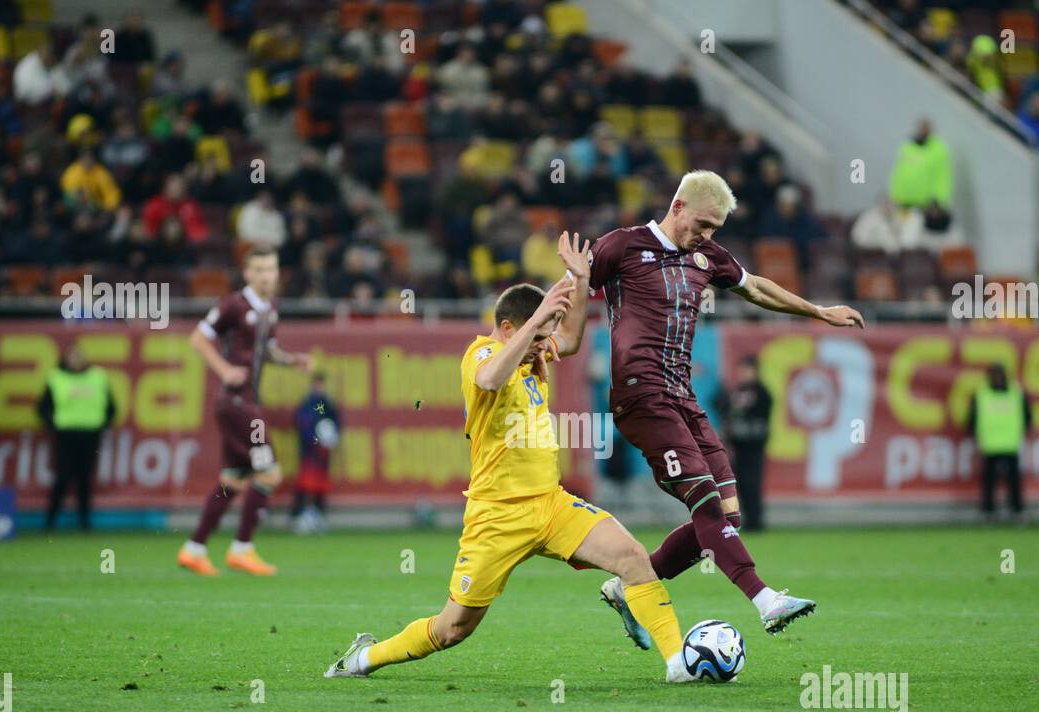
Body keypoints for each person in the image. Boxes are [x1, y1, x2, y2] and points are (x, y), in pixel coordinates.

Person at [326, 235, 703, 684]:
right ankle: (364, 659)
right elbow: (488, 380)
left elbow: (571, 339)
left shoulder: (529, 354)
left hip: (550, 503)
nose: (545, 346)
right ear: (510, 328)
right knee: (453, 629)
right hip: (496, 515)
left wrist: (581, 282)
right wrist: (537, 323)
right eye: (537, 334)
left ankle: (678, 663)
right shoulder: (481, 354)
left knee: (632, 557)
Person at [584, 170, 864, 647]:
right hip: (641, 395)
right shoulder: (622, 246)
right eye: (704, 224)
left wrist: (818, 312)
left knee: (727, 518)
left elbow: (756, 288)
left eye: (716, 228)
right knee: (707, 503)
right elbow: (571, 287)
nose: (708, 236)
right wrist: (537, 338)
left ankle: (630, 587)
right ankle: (765, 599)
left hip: (682, 398)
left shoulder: (707, 256)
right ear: (677, 207)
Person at [176, 247, 313, 576]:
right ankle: (242, 548)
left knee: (234, 479)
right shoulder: (234, 305)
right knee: (269, 474)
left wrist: (293, 360)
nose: (268, 275)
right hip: (237, 403)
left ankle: (194, 548)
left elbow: (266, 351)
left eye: (272, 269)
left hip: (245, 400)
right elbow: (198, 338)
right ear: (248, 273)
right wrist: (224, 370)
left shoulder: (270, 308)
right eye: (261, 270)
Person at [37, 344, 115, 530]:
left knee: (85, 479)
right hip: (65, 435)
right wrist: (53, 425)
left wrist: (102, 424)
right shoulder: (56, 378)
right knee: (62, 478)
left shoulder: (98, 377)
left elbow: (111, 407)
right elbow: (43, 407)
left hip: (90, 434)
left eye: (80, 356)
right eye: (73, 356)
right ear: (66, 359)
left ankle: (84, 522)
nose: (77, 360)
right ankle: (50, 521)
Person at [967, 363, 1031, 521]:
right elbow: (972, 418)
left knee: (1014, 480)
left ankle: (1017, 510)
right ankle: (988, 511)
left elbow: (1027, 415)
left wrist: (1021, 432)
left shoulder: (1016, 393)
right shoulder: (982, 394)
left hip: (1011, 443)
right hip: (990, 444)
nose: (998, 378)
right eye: (995, 375)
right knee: (989, 480)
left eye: (1000, 374)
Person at [716, 356, 773, 532]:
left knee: (751, 484)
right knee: (736, 485)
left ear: (755, 371)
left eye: (746, 370)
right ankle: (738, 521)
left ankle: (755, 522)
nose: (742, 374)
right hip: (736, 446)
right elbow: (722, 407)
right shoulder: (735, 391)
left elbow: (761, 416)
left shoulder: (762, 392)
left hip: (754, 446)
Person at [292, 371, 341, 533]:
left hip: (323, 452)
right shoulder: (307, 403)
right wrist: (314, 438)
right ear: (313, 385)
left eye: (322, 384)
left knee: (321, 485)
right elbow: (302, 423)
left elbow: (336, 422)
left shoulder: (328, 403)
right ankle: (298, 515)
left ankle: (319, 516)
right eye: (317, 384)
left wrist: (333, 437)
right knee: (305, 483)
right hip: (309, 450)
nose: (320, 387)